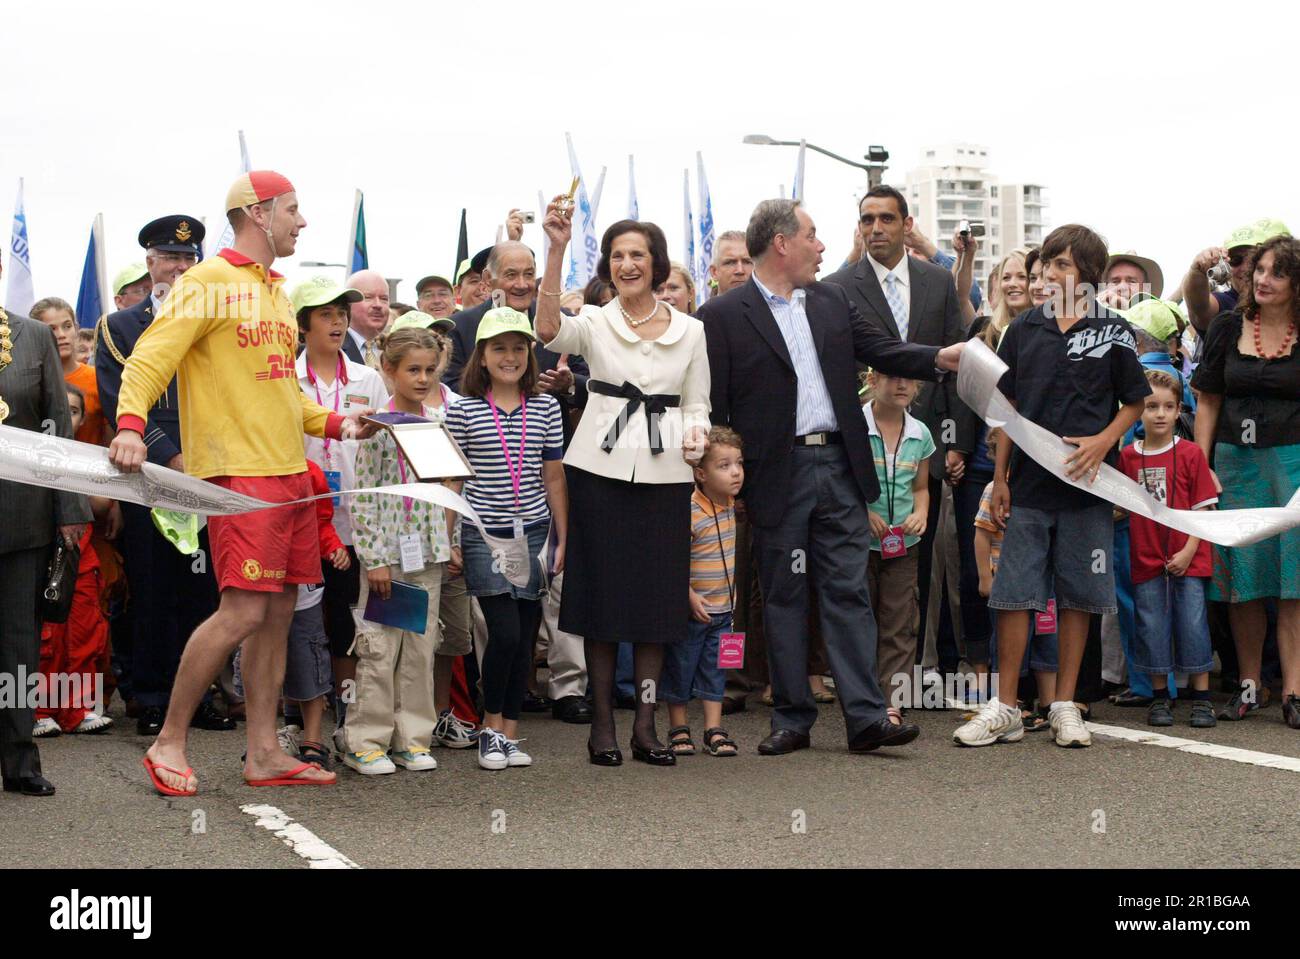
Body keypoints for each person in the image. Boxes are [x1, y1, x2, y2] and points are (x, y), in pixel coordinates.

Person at [109, 171, 378, 794]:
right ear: (257, 213)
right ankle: (168, 741)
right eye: (293, 209)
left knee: (279, 614)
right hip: (240, 475)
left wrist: (342, 423)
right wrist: (128, 425)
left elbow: (286, 395)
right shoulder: (206, 281)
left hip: (290, 474)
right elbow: (151, 357)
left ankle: (263, 753)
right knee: (241, 612)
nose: (302, 221)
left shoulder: (277, 291)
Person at [699, 197, 962, 756]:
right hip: (777, 473)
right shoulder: (722, 317)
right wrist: (728, 477)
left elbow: (884, 349)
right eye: (812, 235)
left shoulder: (832, 299)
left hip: (841, 465)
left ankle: (866, 718)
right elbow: (716, 407)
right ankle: (791, 719)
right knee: (785, 596)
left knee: (847, 591)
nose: (823, 246)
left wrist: (942, 358)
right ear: (782, 243)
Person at [954, 224, 1151, 749]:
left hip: (1087, 488)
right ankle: (1005, 706)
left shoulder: (1114, 330)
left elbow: (1134, 399)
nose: (1050, 276)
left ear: (1087, 274)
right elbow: (1007, 408)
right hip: (1028, 488)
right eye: (1047, 267)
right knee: (1013, 595)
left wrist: (1103, 442)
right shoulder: (1023, 330)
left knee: (1079, 597)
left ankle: (1065, 704)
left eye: (1062, 266)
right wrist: (999, 478)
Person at [537, 203, 712, 767]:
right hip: (598, 471)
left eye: (637, 254)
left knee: (658, 605)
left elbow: (697, 402)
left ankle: (646, 725)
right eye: (617, 256)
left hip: (665, 478)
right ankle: (603, 727)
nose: (627, 264)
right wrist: (557, 249)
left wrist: (696, 437)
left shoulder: (692, 329)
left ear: (656, 263)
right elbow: (546, 329)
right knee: (603, 599)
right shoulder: (595, 320)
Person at [823, 185, 966, 680]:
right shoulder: (836, 286)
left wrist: (952, 441)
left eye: (887, 219)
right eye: (867, 220)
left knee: (916, 574)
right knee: (861, 580)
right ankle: (861, 685)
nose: (876, 228)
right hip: (862, 444)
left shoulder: (938, 282)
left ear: (907, 225)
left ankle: (903, 680)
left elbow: (953, 366)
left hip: (924, 448)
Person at [96, 214, 227, 737]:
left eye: (187, 258)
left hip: (207, 470)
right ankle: (150, 697)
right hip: (147, 470)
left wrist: (207, 459)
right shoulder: (118, 328)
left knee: (203, 591)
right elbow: (118, 402)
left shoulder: (212, 321)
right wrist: (171, 456)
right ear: (149, 264)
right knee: (152, 588)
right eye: (169, 258)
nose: (178, 266)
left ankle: (199, 696)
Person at [447, 309, 568, 770]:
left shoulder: (546, 407)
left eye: (519, 347)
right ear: (482, 355)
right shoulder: (464, 409)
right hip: (484, 533)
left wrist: (563, 540)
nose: (510, 356)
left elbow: (553, 477)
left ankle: (510, 733)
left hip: (535, 532)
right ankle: (489, 728)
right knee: (504, 632)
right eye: (499, 347)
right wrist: (448, 537)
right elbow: (454, 480)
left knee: (525, 637)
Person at [1192, 234, 1300, 728]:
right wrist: (1203, 462)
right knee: (1243, 580)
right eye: (1260, 269)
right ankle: (1249, 684)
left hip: (1295, 466)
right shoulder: (1227, 327)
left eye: (1277, 272)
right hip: (1237, 463)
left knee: (1294, 579)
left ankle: (1294, 690)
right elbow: (1208, 397)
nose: (1263, 279)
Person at [346, 327, 458, 775]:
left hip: (425, 555)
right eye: (413, 369)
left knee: (419, 648)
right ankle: (365, 740)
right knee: (379, 649)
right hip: (387, 559)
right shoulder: (376, 427)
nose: (423, 378)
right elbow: (364, 495)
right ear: (388, 370)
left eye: (430, 370)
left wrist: (446, 542)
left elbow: (448, 485)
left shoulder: (438, 421)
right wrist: (374, 559)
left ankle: (412, 738)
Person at [0, 306, 93, 796]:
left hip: (22, 518)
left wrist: (70, 507)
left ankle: (19, 762)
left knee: (18, 647)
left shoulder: (33, 336)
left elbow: (58, 423)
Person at [290, 276, 388, 743]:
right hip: (300, 520)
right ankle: (297, 714)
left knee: (349, 621)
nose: (338, 323)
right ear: (302, 325)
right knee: (301, 622)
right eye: (326, 315)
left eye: (342, 314)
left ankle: (347, 714)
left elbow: (386, 447)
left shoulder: (369, 379)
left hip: (354, 521)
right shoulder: (285, 379)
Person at [1119, 370, 1219, 728]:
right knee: (1151, 626)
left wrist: (1190, 550)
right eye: (1150, 406)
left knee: (1192, 624)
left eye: (1167, 406)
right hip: (1146, 558)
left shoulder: (1191, 454)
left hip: (1188, 558)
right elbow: (1122, 504)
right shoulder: (1128, 458)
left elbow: (1204, 507)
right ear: (1137, 411)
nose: (1159, 413)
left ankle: (1201, 698)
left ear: (1179, 411)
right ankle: (1161, 697)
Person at [951, 251, 1032, 677]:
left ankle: (1026, 672)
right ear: (996, 282)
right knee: (976, 569)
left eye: (1023, 275)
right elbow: (963, 396)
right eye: (1008, 276)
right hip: (982, 467)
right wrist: (958, 447)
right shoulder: (983, 333)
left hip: (1033, 466)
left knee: (1026, 568)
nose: (1015, 282)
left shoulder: (1046, 331)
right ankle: (980, 664)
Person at [31, 383, 113, 736]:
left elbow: (100, 505)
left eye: (75, 410)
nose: (67, 416)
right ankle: (37, 710)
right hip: (41, 555)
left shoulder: (88, 455)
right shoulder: (26, 453)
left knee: (84, 633)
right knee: (45, 637)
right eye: (61, 409)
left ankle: (77, 708)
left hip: (81, 554)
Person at [663, 426, 744, 758]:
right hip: (693, 610)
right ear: (700, 473)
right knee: (681, 666)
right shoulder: (690, 510)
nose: (736, 472)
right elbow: (673, 559)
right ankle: (678, 726)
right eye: (723, 466)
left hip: (724, 611)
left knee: (717, 668)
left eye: (738, 463)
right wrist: (687, 595)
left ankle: (714, 727)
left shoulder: (731, 505)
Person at [862, 369, 933, 722]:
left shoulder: (921, 433)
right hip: (860, 543)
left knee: (900, 619)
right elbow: (841, 481)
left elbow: (921, 488)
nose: (902, 384)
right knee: (860, 618)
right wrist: (862, 512)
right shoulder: (855, 425)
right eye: (892, 377)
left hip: (904, 543)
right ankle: (861, 698)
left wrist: (921, 512)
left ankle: (892, 702)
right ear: (872, 381)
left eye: (909, 379)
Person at [281, 459, 350, 768]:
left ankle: (313, 738)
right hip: (262, 583)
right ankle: (270, 738)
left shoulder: (310, 471)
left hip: (304, 585)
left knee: (309, 656)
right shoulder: (249, 466)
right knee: (268, 664)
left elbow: (321, 521)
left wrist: (333, 546)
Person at [1183, 219, 1290, 336]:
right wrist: (1197, 271)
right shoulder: (1226, 305)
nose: (1245, 268)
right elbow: (1200, 309)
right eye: (1236, 260)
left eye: (1253, 259)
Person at [31, 298, 105, 445]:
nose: (61, 334)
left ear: (76, 329)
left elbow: (111, 437)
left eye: (67, 326)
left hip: (88, 465)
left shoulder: (98, 378)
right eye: (51, 329)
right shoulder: (28, 382)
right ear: (35, 334)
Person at [346, 269, 390, 368]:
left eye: (384, 299)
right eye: (368, 297)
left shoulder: (396, 348)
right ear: (348, 304)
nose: (378, 305)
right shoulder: (333, 348)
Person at [708, 230, 754, 297]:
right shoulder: (706, 307)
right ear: (714, 272)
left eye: (747, 262)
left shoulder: (770, 306)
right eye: (730, 263)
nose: (740, 270)